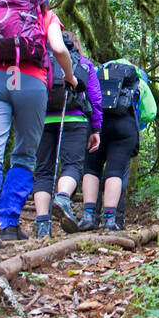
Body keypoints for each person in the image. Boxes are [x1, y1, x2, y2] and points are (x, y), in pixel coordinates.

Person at [0, 0, 77, 248]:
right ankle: (8, 224)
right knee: (25, 154)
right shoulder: (44, 14)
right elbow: (59, 48)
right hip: (30, 82)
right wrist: (70, 76)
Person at [30, 32, 102, 238]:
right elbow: (95, 98)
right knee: (72, 165)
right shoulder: (84, 64)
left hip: (43, 119)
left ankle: (42, 225)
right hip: (75, 119)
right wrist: (96, 129)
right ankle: (62, 197)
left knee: (43, 170)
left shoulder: (40, 61)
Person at [78, 57, 155, 232]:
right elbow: (151, 112)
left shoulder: (98, 73)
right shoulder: (137, 79)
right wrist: (137, 117)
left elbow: (84, 98)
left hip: (98, 125)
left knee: (92, 168)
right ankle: (110, 220)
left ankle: (89, 216)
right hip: (124, 126)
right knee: (115, 171)